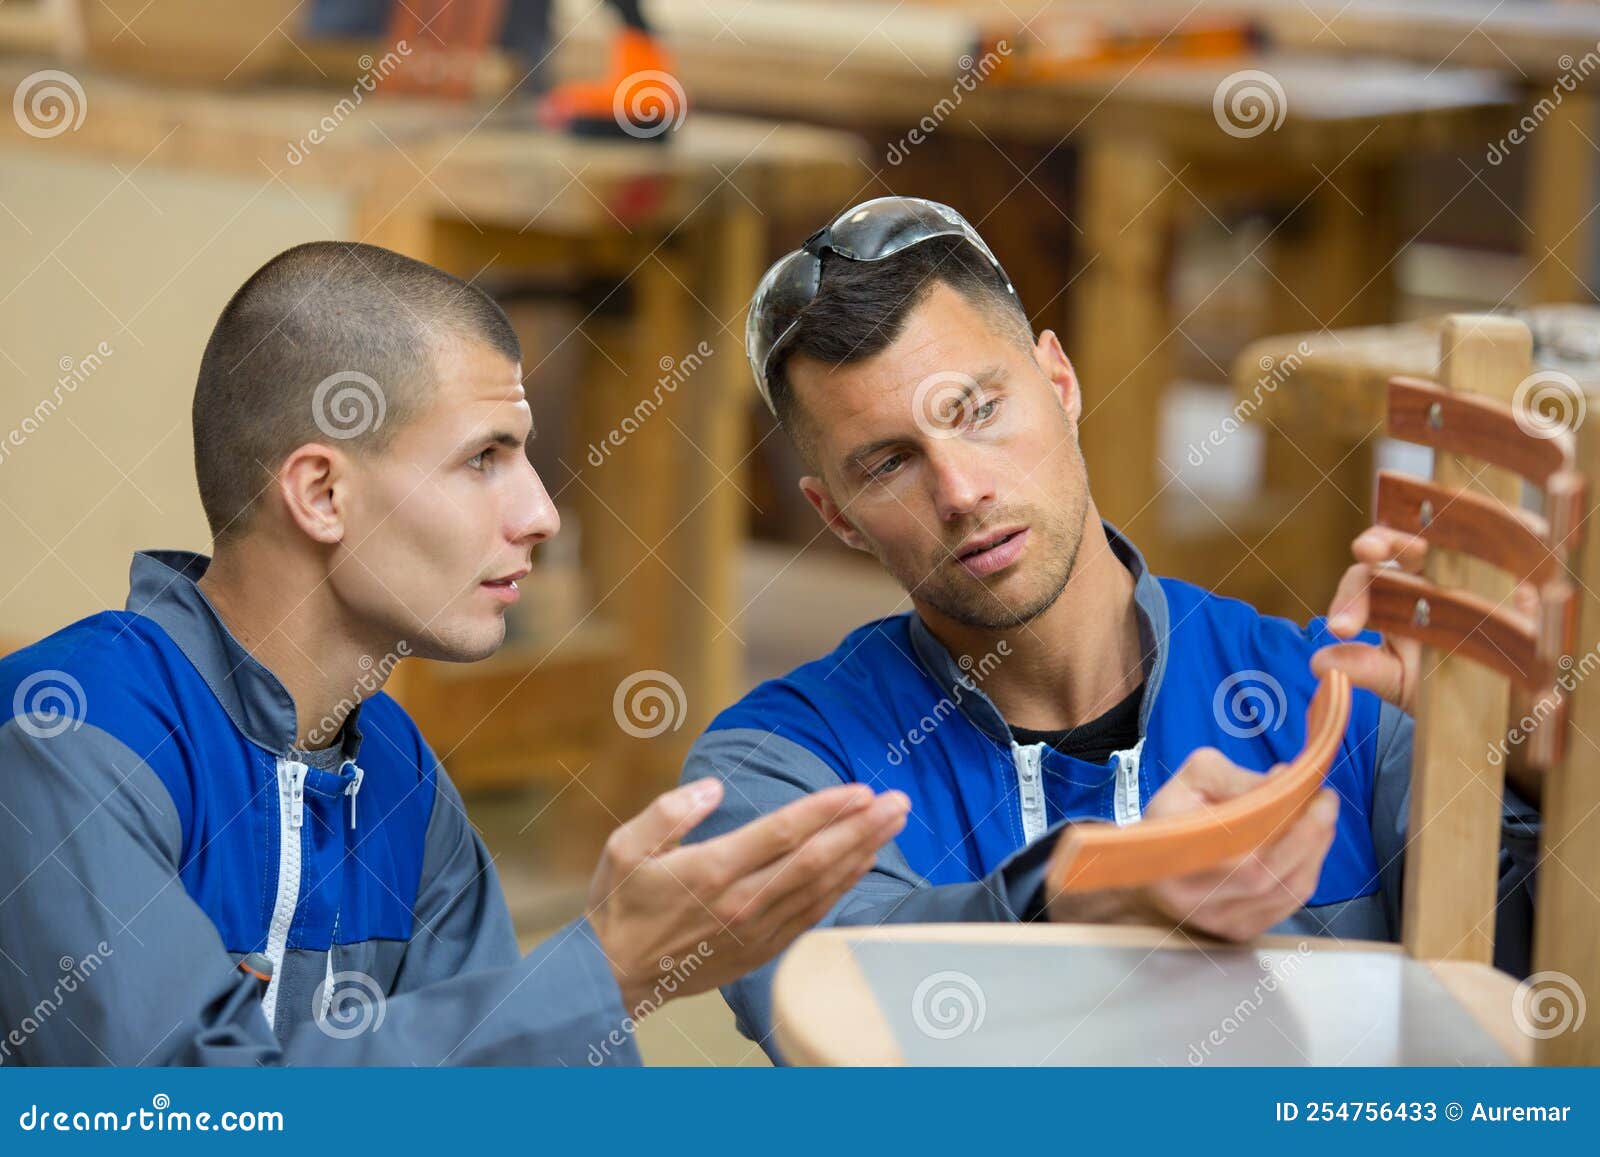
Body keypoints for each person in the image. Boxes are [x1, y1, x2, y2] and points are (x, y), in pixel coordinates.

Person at [0, 242, 909, 1066]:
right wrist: (605, 968)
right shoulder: (67, 734)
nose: (541, 513)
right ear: (321, 492)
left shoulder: (396, 778)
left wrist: (602, 990)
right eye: (485, 458)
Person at [681, 197, 1541, 1059]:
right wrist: (1085, 896)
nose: (962, 491)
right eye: (890, 462)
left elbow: (1540, 1010)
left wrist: (1541, 758)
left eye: (977, 410)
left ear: (1060, 383)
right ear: (836, 515)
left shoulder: (1346, 704)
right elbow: (837, 1005)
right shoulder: (770, 770)